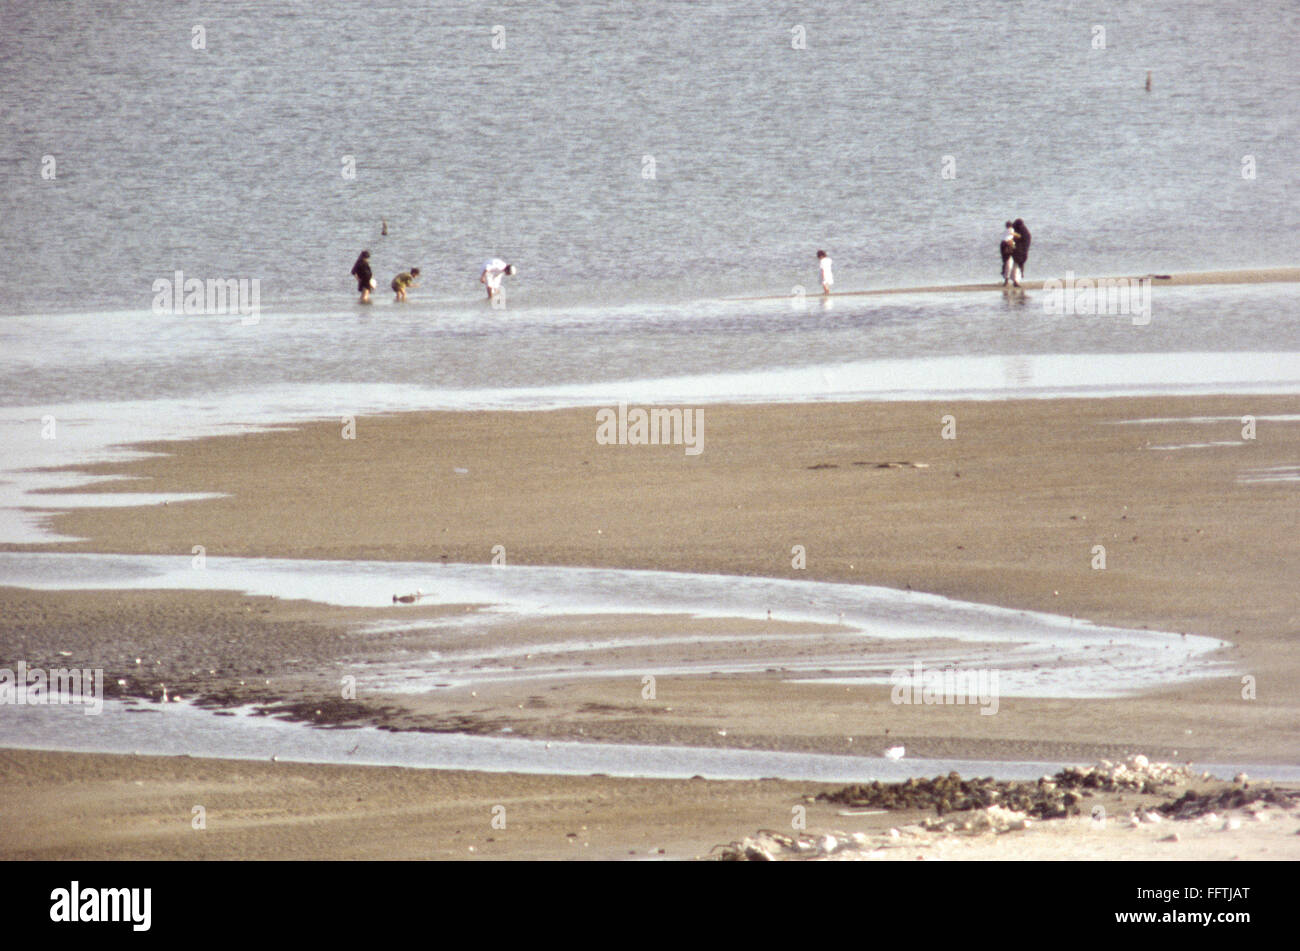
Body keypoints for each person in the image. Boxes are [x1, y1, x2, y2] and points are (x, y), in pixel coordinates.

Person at [1010, 218, 1031, 287]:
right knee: (1017, 265)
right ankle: (1016, 280)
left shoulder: (1015, 230)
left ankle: (1015, 280)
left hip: (1018, 251)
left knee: (1015, 265)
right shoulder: (1025, 231)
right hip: (1020, 251)